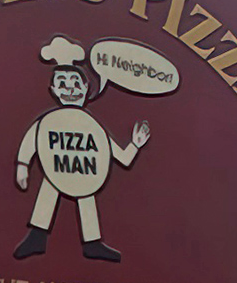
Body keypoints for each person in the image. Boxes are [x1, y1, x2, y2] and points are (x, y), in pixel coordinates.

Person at [13, 36, 150, 262]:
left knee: (86, 192)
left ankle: (92, 243)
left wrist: (135, 144)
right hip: (56, 166)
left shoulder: (92, 127)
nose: (70, 89)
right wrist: (22, 166)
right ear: (54, 90)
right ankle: (37, 237)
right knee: (50, 184)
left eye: (76, 84)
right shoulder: (49, 121)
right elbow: (32, 140)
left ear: (86, 88)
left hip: (85, 172)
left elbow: (123, 159)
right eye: (63, 84)